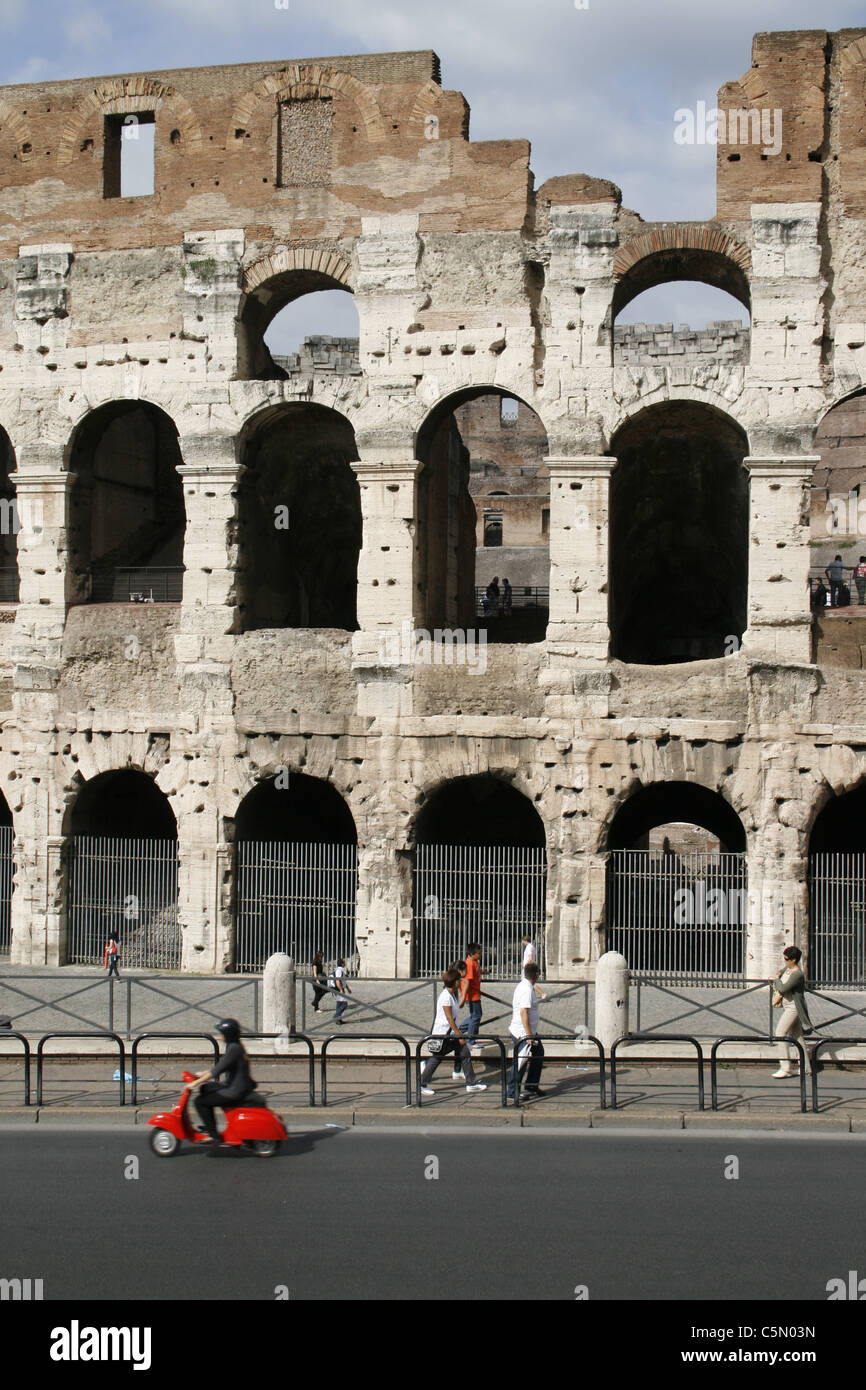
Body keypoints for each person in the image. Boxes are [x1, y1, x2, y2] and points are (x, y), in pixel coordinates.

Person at [419, 968, 487, 1095]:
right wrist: (459, 1035)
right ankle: (422, 1083)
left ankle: (471, 1083)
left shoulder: (451, 995)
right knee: (437, 1058)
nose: (460, 982)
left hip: (450, 1033)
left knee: (464, 1053)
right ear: (454, 982)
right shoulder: (446, 997)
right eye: (459, 980)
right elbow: (449, 1018)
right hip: (444, 1034)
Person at [191, 1018, 257, 1144]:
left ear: (228, 1035)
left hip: (234, 1091)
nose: (220, 1036)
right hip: (235, 1086)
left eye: (222, 1033)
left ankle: (213, 1135)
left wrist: (194, 1083)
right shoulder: (235, 1046)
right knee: (205, 1088)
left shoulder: (234, 1049)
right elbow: (221, 1066)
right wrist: (200, 1074)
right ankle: (209, 1124)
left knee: (200, 1102)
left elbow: (216, 1071)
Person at [769, 946, 813, 1078]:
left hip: (794, 1007)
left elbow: (783, 988)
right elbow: (781, 971)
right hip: (788, 1005)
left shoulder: (797, 974)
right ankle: (806, 1068)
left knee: (780, 1033)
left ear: (794, 960)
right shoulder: (788, 969)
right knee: (798, 1037)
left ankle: (785, 1068)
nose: (785, 961)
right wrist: (779, 974)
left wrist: (776, 980)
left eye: (787, 959)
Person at [507, 961, 545, 1099]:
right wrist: (529, 1036)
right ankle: (512, 1092)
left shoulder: (526, 986)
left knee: (538, 1052)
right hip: (523, 1033)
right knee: (520, 1062)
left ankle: (531, 1085)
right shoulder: (526, 989)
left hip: (528, 1031)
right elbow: (524, 1012)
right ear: (536, 975)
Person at [332, 957, 352, 1023]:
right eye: (344, 962)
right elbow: (337, 980)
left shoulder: (340, 970)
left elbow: (343, 981)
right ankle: (336, 1016)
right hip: (339, 989)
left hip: (340, 988)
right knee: (344, 1004)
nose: (345, 963)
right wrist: (341, 989)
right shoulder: (339, 970)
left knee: (339, 1004)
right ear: (342, 963)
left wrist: (348, 988)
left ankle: (338, 1019)